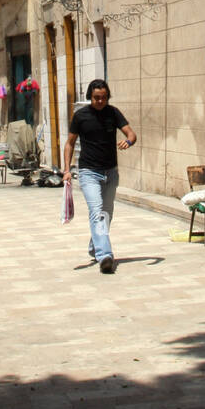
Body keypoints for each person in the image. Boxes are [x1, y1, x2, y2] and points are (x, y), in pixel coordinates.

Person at [63, 79, 137, 273]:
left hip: (110, 172)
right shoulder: (80, 116)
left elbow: (131, 134)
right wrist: (66, 170)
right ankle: (105, 255)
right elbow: (69, 143)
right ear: (90, 97)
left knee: (106, 214)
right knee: (97, 212)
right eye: (96, 97)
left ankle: (94, 246)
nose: (100, 101)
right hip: (89, 172)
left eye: (104, 97)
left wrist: (128, 142)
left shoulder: (113, 113)